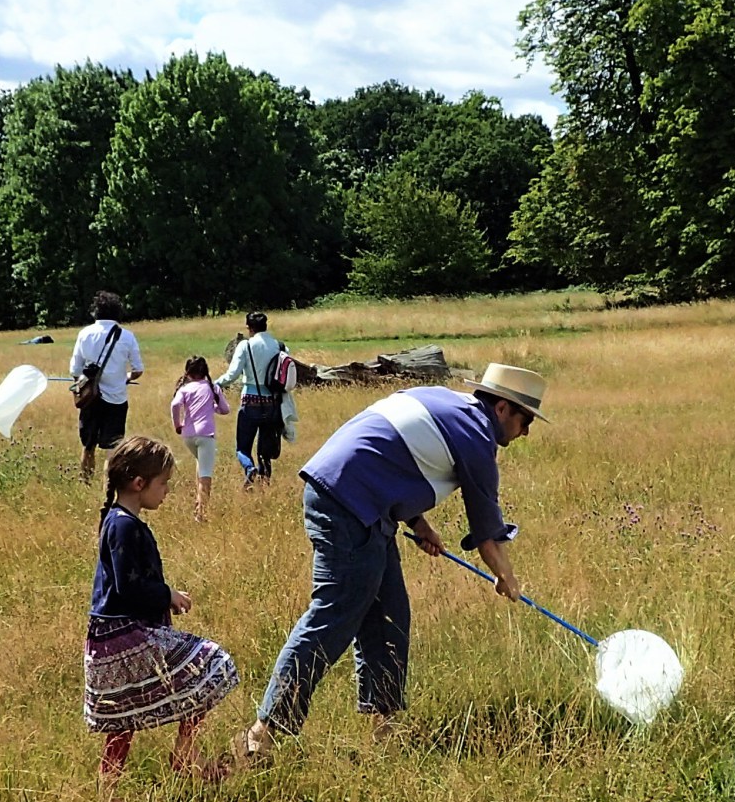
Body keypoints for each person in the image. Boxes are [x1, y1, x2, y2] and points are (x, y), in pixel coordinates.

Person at [243, 364, 548, 757]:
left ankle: (386, 732)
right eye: (526, 421)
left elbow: (391, 456)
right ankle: (261, 735)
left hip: (355, 500)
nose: (526, 432)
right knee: (333, 617)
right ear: (503, 408)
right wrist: (507, 578)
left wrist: (418, 522)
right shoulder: (476, 436)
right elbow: (487, 531)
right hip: (348, 505)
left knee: (389, 616)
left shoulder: (444, 400)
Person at [84, 436, 240, 786]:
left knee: (122, 717)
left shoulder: (117, 520)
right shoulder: (123, 525)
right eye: (164, 483)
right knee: (213, 664)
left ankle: (109, 787)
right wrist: (166, 594)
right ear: (139, 484)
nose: (167, 490)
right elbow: (129, 587)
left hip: (112, 639)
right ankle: (186, 752)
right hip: (124, 638)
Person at [69, 290, 143, 484]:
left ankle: (85, 482)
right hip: (116, 398)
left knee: (88, 445)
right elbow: (138, 370)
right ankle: (107, 489)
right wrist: (124, 377)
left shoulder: (84, 334)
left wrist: (88, 381)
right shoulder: (127, 336)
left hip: (89, 399)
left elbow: (75, 370)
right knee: (113, 448)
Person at [215, 311, 291, 487]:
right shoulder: (280, 346)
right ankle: (265, 484)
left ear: (249, 328)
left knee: (242, 448)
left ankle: (249, 469)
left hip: (250, 403)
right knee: (265, 450)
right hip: (273, 404)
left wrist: (214, 384)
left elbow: (232, 375)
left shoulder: (245, 346)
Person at [169, 356, 231, 521]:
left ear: (188, 373)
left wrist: (178, 424)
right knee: (206, 474)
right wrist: (214, 408)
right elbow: (225, 410)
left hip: (188, 435)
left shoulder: (185, 389)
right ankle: (201, 512)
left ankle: (198, 502)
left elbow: (175, 405)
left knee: (200, 463)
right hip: (206, 435)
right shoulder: (212, 387)